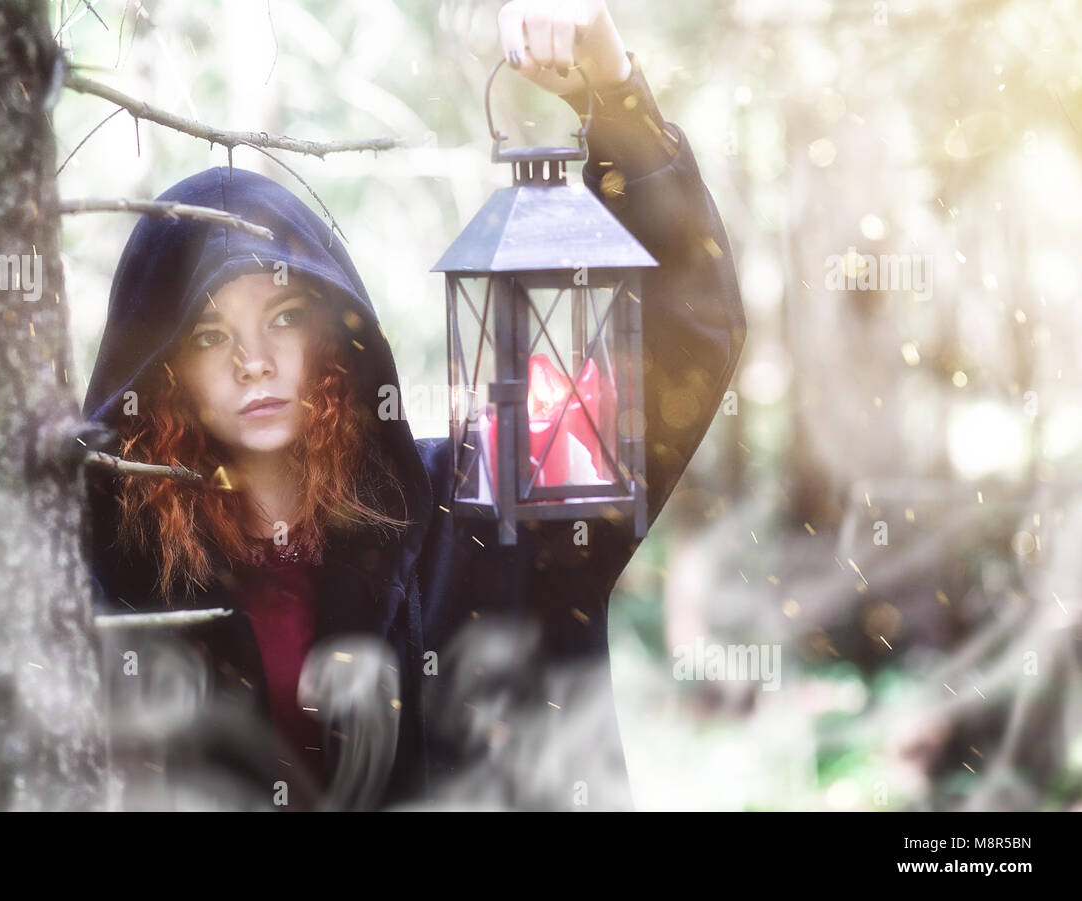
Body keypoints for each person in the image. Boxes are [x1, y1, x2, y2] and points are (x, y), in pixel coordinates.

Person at [80, 0, 745, 811]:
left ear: (332, 334)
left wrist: (611, 97)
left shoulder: (480, 508)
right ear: (166, 371)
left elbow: (684, 340)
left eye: (284, 317)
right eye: (211, 334)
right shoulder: (118, 573)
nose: (254, 361)